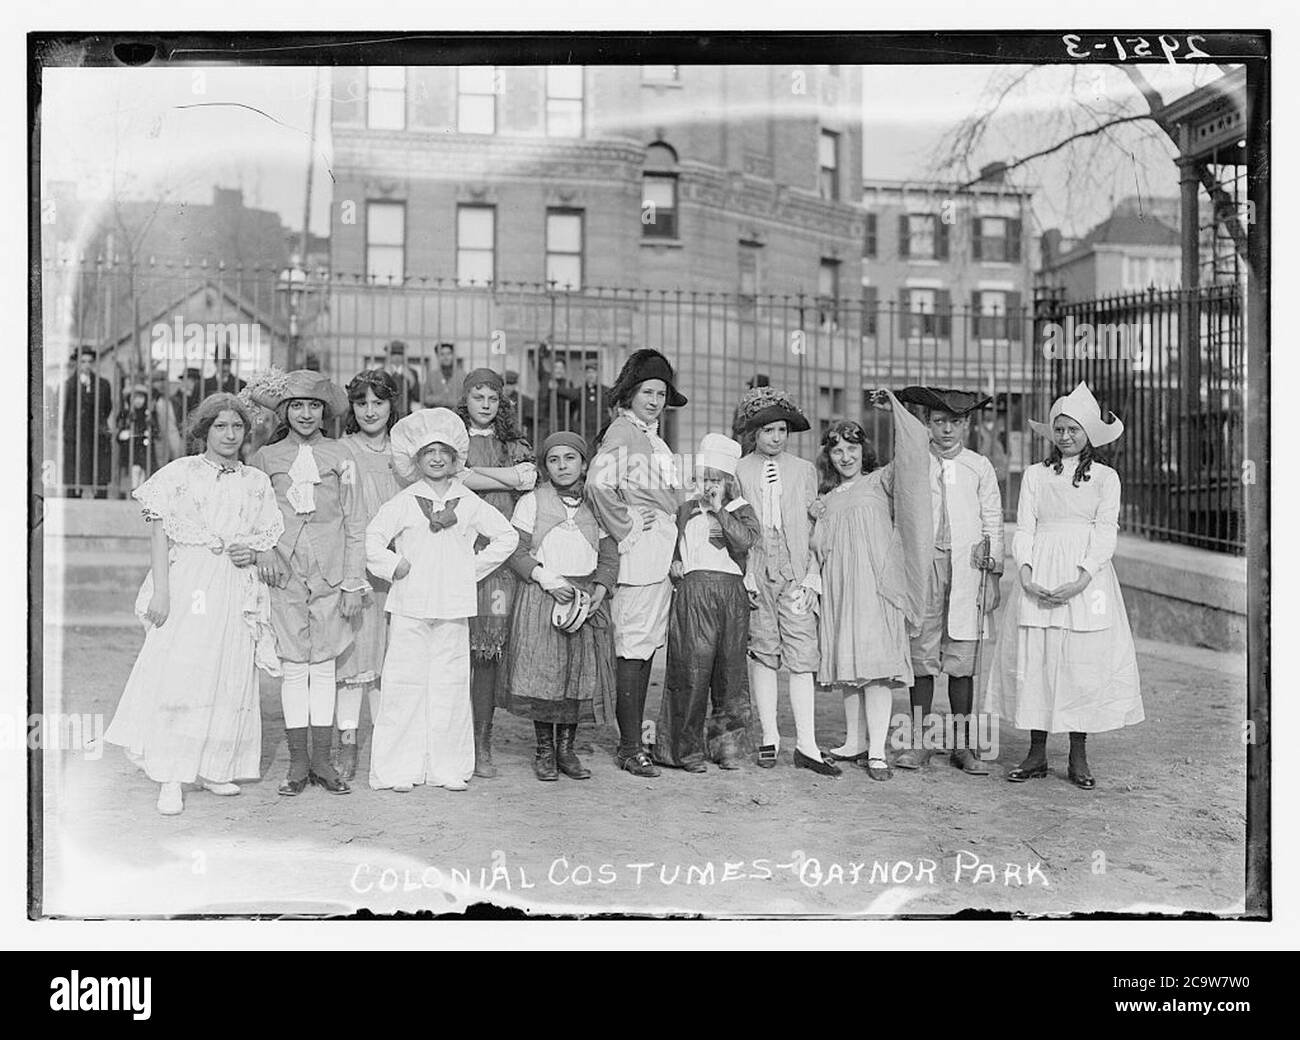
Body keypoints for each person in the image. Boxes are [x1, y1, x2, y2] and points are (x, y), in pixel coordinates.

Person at [104, 393, 284, 815]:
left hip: (236, 585)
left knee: (229, 669)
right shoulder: (180, 473)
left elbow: (265, 537)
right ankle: (172, 773)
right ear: (204, 430)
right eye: (220, 426)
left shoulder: (255, 482)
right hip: (193, 584)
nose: (229, 434)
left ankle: (213, 766)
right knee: (187, 668)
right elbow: (159, 535)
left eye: (237, 427)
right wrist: (163, 592)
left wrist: (252, 552)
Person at [985, 382, 1143, 789]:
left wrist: (1083, 577)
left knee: (1079, 663)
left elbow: (1106, 532)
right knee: (1036, 658)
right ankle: (1036, 752)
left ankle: (1078, 755)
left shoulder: (1106, 479)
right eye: (1060, 429)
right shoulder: (1037, 476)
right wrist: (1024, 571)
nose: (1066, 436)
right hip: (1040, 571)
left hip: (1084, 579)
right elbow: (1025, 527)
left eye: (1074, 429)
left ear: (1088, 434)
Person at [364, 408, 519, 792]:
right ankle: (399, 768)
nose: (436, 458)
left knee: (449, 685)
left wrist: (472, 568)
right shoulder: (403, 501)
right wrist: (393, 564)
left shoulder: (468, 501)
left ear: (455, 459)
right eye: (428, 451)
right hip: (410, 603)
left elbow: (506, 536)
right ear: (416, 460)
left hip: (452, 604)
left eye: (444, 452)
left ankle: (447, 767)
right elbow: (372, 539)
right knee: (404, 683)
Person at [249, 370, 369, 797]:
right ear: (284, 411)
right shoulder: (265, 458)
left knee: (323, 665)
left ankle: (322, 759)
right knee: (294, 666)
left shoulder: (341, 456)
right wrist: (264, 551)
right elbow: (256, 515)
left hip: (332, 574)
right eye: (296, 406)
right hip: (283, 574)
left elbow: (355, 522)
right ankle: (298, 762)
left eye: (313, 406)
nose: (305, 414)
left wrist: (354, 582)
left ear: (325, 412)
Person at [810, 398, 932, 781]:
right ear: (829, 457)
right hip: (842, 589)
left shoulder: (881, 481)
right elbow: (818, 548)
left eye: (852, 448)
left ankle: (877, 750)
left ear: (865, 450)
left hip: (878, 587)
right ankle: (854, 741)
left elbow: (914, 449)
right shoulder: (826, 499)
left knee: (876, 669)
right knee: (850, 666)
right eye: (837, 450)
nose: (845, 456)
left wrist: (893, 409)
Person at [890, 386, 1004, 776]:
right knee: (922, 652)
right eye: (939, 422)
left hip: (967, 570)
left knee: (961, 659)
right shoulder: (914, 462)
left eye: (955, 422)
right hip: (925, 567)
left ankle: (962, 744)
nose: (947, 430)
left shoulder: (978, 466)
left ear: (967, 424)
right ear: (927, 424)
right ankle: (919, 743)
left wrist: (995, 570)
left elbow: (993, 520)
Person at [585, 348, 689, 777]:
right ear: (629, 394)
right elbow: (597, 483)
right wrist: (628, 522)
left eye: (661, 393)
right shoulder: (624, 433)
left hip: (658, 550)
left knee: (643, 648)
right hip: (639, 552)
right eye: (647, 391)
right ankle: (628, 747)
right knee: (631, 648)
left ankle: (631, 740)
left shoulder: (651, 437)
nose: (654, 400)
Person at [733, 385, 840, 776]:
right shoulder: (741, 470)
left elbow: (814, 524)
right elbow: (736, 525)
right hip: (758, 568)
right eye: (767, 431)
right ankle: (769, 735)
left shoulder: (803, 470)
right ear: (754, 435)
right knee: (763, 648)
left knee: (801, 651)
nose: (775, 438)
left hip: (794, 569)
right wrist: (744, 571)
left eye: (781, 430)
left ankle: (807, 744)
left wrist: (812, 574)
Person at [502, 431, 618, 781]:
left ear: (584, 463)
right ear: (545, 466)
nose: (562, 466)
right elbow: (515, 551)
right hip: (544, 596)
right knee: (545, 674)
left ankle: (567, 749)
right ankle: (544, 751)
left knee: (577, 675)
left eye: (570, 458)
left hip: (583, 598)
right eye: (554, 459)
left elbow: (610, 554)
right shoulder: (532, 502)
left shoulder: (597, 503)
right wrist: (545, 578)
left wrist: (601, 586)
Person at [653, 434, 759, 772]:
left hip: (730, 593)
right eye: (703, 478)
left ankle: (728, 746)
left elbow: (743, 544)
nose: (708, 485)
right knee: (690, 671)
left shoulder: (741, 512)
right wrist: (673, 563)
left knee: (729, 674)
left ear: (729, 481)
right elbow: (675, 546)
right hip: (694, 593)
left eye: (715, 479)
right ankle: (684, 751)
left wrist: (719, 511)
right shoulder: (685, 510)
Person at [455, 368, 538, 778]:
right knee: (454, 649)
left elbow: (529, 479)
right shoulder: (453, 439)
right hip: (457, 551)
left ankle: (481, 743)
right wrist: (503, 478)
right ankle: (452, 741)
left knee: (487, 652)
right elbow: (454, 477)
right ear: (465, 400)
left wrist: (475, 477)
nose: (485, 405)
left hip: (500, 560)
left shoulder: (514, 443)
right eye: (477, 398)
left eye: (492, 399)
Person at [333, 369, 404, 781]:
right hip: (354, 563)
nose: (371, 411)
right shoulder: (341, 450)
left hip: (396, 566)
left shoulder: (405, 453)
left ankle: (386, 744)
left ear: (392, 405)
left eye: (379, 402)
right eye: (362, 403)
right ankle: (346, 742)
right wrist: (349, 573)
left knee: (389, 658)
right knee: (354, 655)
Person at [60, 346, 114, 497]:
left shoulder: (103, 384)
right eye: (83, 361)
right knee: (75, 474)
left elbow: (107, 407)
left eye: (90, 361)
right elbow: (64, 411)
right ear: (77, 363)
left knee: (99, 474)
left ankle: (100, 497)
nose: (87, 365)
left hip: (96, 433)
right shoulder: (68, 384)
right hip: (76, 435)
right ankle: (74, 497)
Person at [116, 383, 159, 491]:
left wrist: (150, 432)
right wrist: (122, 434)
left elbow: (156, 429)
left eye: (141, 397)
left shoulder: (149, 414)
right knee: (134, 467)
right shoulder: (125, 413)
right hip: (130, 445)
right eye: (134, 397)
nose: (138, 401)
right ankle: (134, 487)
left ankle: (141, 488)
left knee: (144, 467)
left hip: (144, 445)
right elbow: (119, 429)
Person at [575, 359, 609, 444]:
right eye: (588, 372)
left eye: (593, 372)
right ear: (585, 374)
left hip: (602, 430)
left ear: (597, 374)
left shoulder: (605, 390)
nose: (591, 375)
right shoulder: (580, 391)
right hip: (585, 431)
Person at [384, 340, 422, 415]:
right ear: (389, 355)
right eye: (393, 354)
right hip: (386, 414)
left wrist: (412, 381)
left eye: (400, 353)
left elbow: (418, 397)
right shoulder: (381, 371)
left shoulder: (412, 372)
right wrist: (385, 377)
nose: (397, 357)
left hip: (406, 414)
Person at [423, 342, 465, 409]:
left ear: (453, 355)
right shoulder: (431, 375)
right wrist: (446, 400)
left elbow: (465, 399)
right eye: (442, 354)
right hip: (436, 415)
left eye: (448, 354)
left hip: (456, 415)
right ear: (437, 356)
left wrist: (438, 400)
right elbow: (425, 398)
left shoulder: (462, 375)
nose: (445, 357)